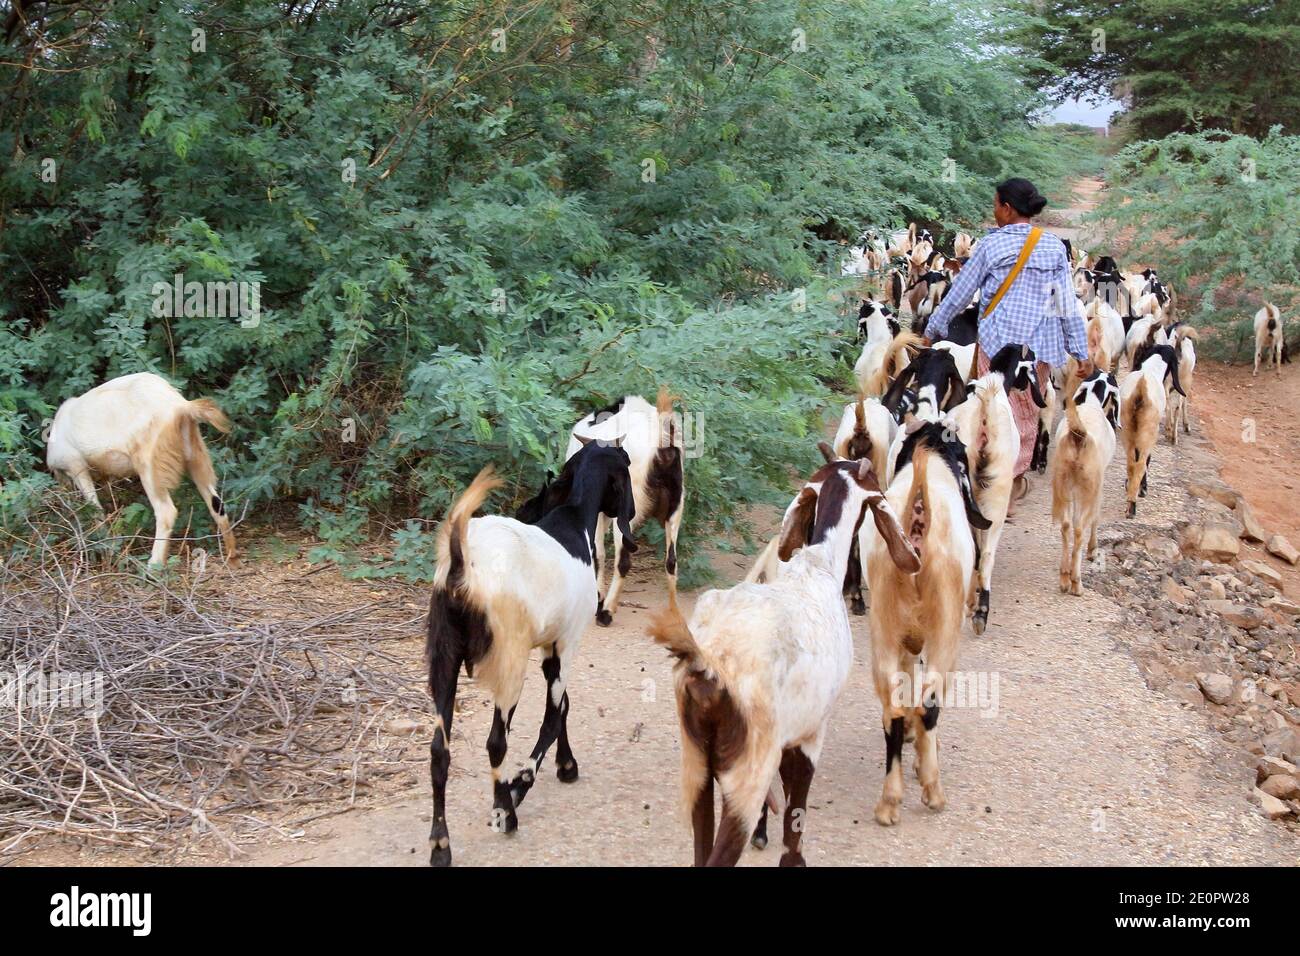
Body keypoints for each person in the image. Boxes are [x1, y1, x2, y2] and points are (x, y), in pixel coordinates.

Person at [922, 177, 1091, 507]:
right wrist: (1080, 351)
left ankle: (983, 481)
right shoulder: (1054, 247)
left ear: (1008, 209)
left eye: (996, 204)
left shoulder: (990, 246)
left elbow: (959, 295)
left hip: (997, 346)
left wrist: (933, 328)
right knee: (1024, 417)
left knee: (991, 412)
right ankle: (1009, 486)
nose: (994, 210)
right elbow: (1066, 304)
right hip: (1037, 351)